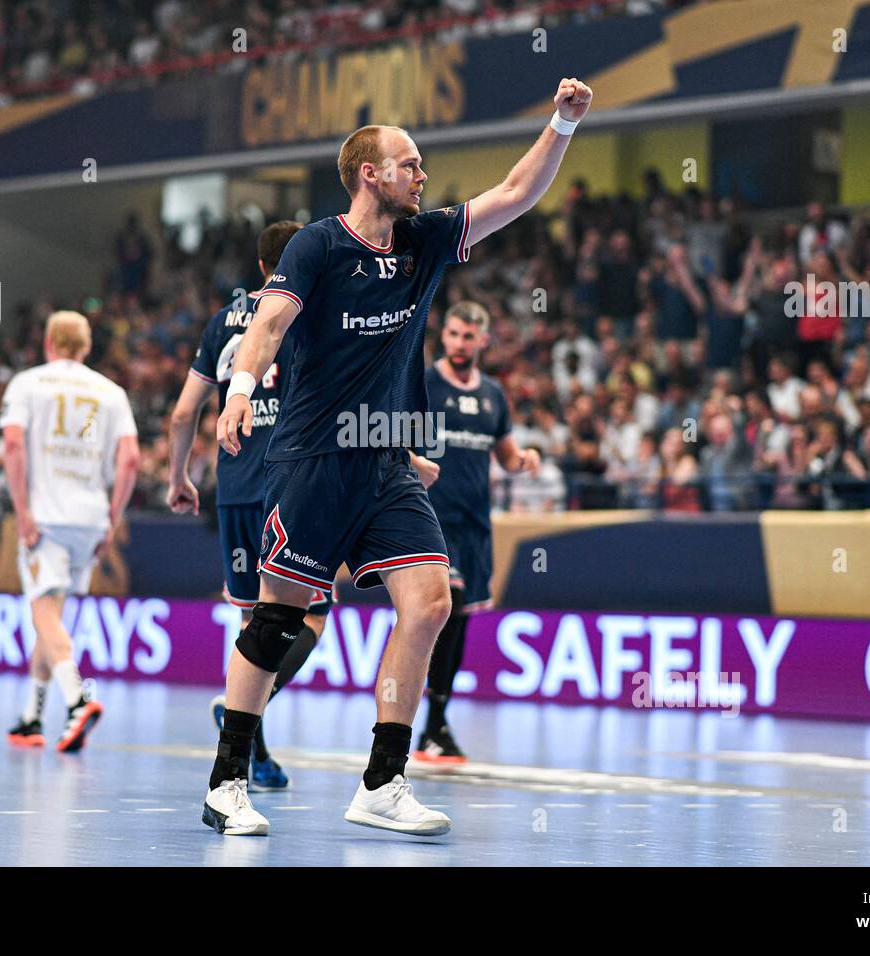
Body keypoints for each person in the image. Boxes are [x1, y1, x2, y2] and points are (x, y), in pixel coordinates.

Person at [204, 77, 594, 837]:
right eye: (409, 163)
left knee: (431, 605)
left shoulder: (422, 240)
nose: (422, 173)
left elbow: (516, 192)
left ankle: (382, 782)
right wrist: (240, 386)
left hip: (385, 463)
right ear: (368, 174)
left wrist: (561, 123)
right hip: (315, 456)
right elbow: (273, 320)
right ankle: (225, 781)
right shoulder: (317, 244)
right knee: (278, 618)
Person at [167, 220, 330, 790]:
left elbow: (183, 413)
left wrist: (179, 477)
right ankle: (243, 713)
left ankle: (249, 750)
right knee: (307, 615)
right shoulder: (315, 309)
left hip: (234, 488)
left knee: (252, 620)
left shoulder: (221, 322)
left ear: (261, 267)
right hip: (294, 485)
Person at [0, 311, 140, 752]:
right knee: (53, 615)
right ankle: (31, 717)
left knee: (42, 611)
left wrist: (22, 512)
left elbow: (13, 445)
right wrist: (112, 519)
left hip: (46, 516)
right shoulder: (111, 392)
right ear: (85, 346)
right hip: (90, 517)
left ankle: (77, 699)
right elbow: (131, 459)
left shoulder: (27, 383)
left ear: (47, 343)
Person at [417, 301, 539, 762]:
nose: (460, 344)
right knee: (441, 612)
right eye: (453, 334)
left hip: (474, 524)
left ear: (483, 340)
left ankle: (436, 723)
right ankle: (423, 724)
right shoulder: (424, 383)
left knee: (460, 619)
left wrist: (525, 459)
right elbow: (394, 437)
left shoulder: (492, 395)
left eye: (469, 336)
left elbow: (505, 456)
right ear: (443, 336)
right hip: (430, 519)